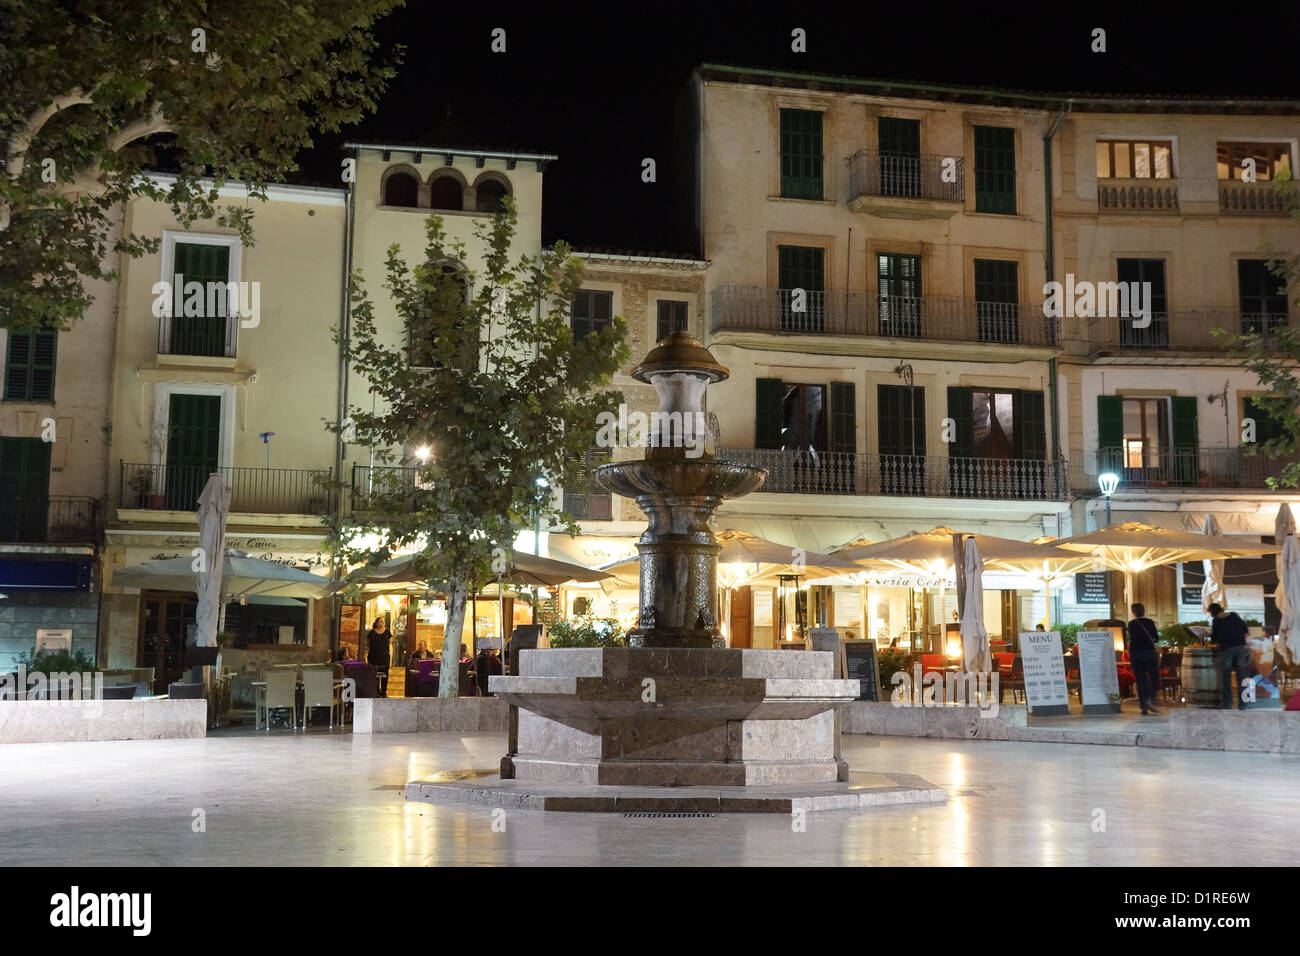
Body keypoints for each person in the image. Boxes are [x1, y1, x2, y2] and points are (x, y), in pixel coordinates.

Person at [1208, 602, 1251, 710]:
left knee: (1226, 679)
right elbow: (1245, 630)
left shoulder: (1217, 620)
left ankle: (1227, 704)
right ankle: (1244, 704)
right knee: (1241, 677)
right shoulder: (1234, 615)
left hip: (1226, 650)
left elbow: (1214, 638)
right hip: (1240, 648)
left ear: (1213, 612)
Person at [1127, 603, 1161, 715]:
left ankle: (1143, 705)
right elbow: (1156, 638)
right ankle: (1152, 698)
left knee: (1140, 679)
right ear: (1144, 611)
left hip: (1136, 653)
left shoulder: (1131, 624)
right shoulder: (1150, 622)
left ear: (1133, 612)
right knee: (1153, 676)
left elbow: (1133, 638)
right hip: (1149, 652)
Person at [366, 617, 391, 698]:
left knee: (385, 673)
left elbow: (390, 641)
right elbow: (368, 643)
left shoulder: (387, 632)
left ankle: (384, 691)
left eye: (383, 621)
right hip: (374, 656)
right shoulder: (371, 633)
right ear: (376, 623)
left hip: (384, 656)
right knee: (374, 673)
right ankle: (376, 690)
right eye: (380, 621)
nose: (382, 623)